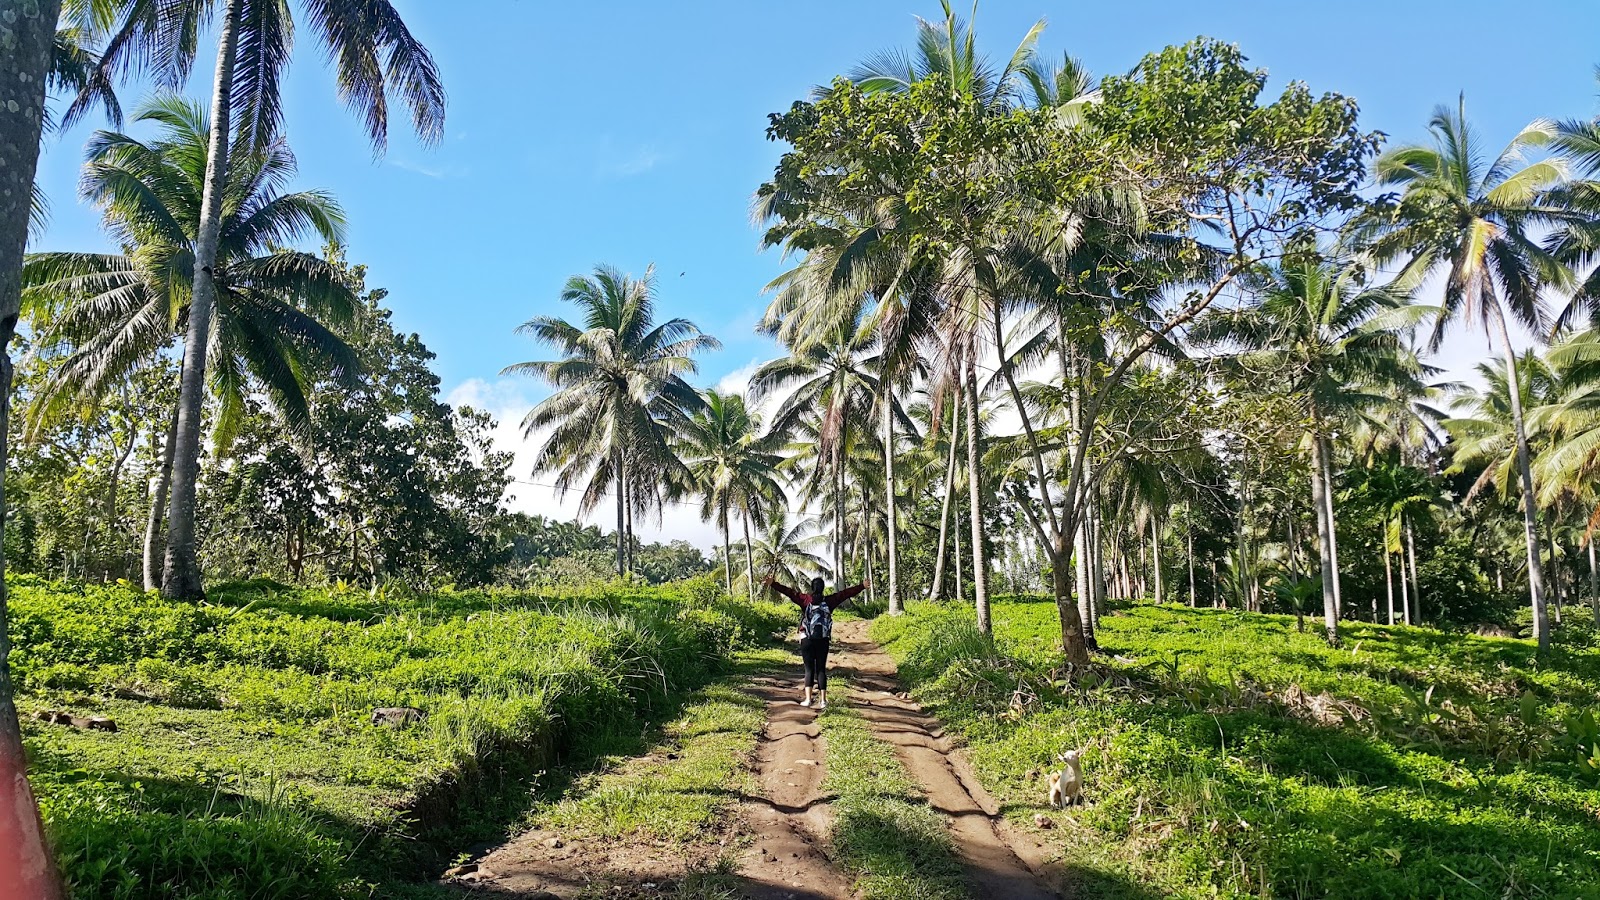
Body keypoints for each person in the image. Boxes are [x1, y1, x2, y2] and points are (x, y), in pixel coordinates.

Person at [765, 575, 867, 709]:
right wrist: (862, 586)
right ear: (823, 588)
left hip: (806, 638)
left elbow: (789, 592)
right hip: (823, 639)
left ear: (812, 588)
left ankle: (808, 699)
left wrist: (773, 584)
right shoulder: (830, 601)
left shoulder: (805, 599)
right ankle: (823, 701)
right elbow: (845, 594)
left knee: (809, 669)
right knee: (821, 669)